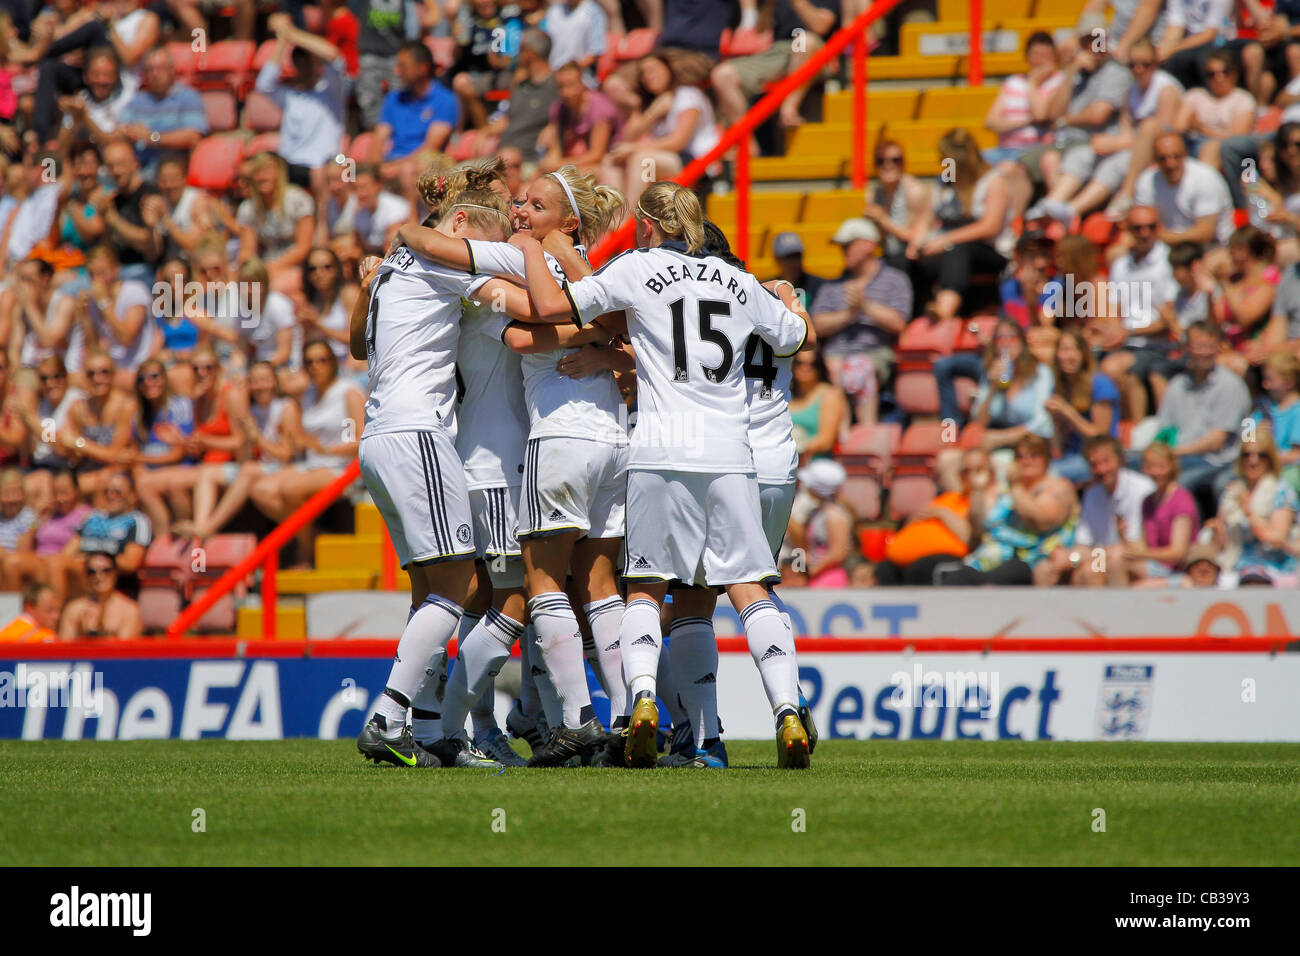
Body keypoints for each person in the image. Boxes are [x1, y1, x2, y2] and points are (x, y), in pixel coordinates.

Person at [521, 180, 814, 768]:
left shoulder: (636, 267)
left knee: (647, 590)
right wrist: (793, 299)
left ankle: (645, 702)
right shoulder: (740, 282)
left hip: (658, 451)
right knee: (751, 587)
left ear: (648, 226)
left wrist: (539, 246)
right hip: (732, 455)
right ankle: (785, 709)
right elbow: (795, 336)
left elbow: (561, 306)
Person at [394, 163, 631, 766]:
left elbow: (588, 324)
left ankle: (537, 721)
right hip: (495, 458)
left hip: (528, 451)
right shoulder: (494, 266)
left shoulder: (524, 259)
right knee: (513, 599)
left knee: (530, 596)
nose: (517, 213)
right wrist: (595, 340)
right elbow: (528, 326)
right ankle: (454, 729)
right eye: (511, 203)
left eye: (528, 203)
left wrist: (598, 342)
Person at [349, 165, 523, 770]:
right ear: (458, 224)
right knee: (463, 585)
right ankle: (388, 716)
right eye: (481, 238)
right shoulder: (442, 260)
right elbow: (513, 293)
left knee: (429, 586)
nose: (480, 253)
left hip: (376, 437)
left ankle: (428, 734)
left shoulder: (392, 266)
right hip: (418, 431)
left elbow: (355, 345)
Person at [250, 338, 362, 567]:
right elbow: (305, 440)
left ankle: (305, 551)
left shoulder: (347, 392)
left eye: (322, 360)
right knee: (261, 490)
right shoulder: (310, 394)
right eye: (309, 362)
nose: (316, 366)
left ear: (332, 362)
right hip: (314, 463)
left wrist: (326, 449)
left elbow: (360, 441)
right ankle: (314, 537)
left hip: (343, 467)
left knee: (289, 490)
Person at [937, 434, 1078, 586]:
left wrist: (1016, 487)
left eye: (1034, 455)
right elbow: (978, 526)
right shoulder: (1002, 490)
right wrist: (978, 490)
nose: (1026, 461)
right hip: (985, 560)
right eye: (1020, 456)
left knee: (994, 581)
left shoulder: (1057, 487)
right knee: (954, 580)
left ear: (1046, 459)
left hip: (1028, 562)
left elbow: (1042, 521)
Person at [179, 361, 297, 541]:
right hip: (257, 467)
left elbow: (286, 455)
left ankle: (207, 530)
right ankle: (200, 524)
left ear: (275, 382)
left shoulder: (286, 407)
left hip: (281, 468)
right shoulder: (252, 410)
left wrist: (258, 439)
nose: (260, 386)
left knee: (248, 470)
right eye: (255, 381)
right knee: (207, 472)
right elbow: (244, 457)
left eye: (265, 380)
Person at [809, 218, 911, 423]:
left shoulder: (895, 280)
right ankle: (842, 438)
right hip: (834, 357)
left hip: (875, 355)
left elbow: (899, 322)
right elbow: (816, 325)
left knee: (857, 367)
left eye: (848, 245)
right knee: (835, 367)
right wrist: (849, 314)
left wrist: (864, 306)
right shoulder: (832, 286)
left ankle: (864, 434)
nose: (844, 251)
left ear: (869, 244)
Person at [910, 128, 1015, 322]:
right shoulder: (943, 184)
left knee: (958, 250)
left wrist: (947, 239)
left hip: (989, 251)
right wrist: (915, 245)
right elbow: (925, 220)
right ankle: (911, 319)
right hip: (947, 248)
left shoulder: (992, 181)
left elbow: (989, 226)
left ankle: (943, 311)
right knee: (906, 261)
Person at [600, 53, 719, 210]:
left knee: (643, 160)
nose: (648, 76)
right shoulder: (652, 101)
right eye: (643, 73)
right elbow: (629, 136)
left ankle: (628, 220)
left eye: (653, 70)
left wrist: (634, 148)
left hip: (695, 161)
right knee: (612, 160)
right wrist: (652, 112)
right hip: (668, 160)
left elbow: (678, 142)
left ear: (668, 69)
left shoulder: (688, 95)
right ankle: (613, 220)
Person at [1151, 320, 1252, 502]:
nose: (1205, 352)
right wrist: (1159, 454)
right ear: (1187, 348)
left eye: (1210, 346)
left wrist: (1174, 453)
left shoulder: (1230, 385)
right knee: (1134, 468)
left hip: (1216, 461)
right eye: (1199, 346)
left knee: (1178, 484)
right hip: (1179, 457)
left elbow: (1216, 442)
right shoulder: (1176, 385)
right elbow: (1164, 431)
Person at [710, 0, 839, 133]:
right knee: (722, 75)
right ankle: (747, 145)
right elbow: (756, 30)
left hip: (818, 52)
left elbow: (821, 26)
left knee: (803, 41)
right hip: (777, 52)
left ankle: (788, 109)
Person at [254, 13, 347, 193]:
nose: (303, 66)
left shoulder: (332, 91)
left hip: (319, 166)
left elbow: (334, 56)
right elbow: (263, 84)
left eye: (308, 61)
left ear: (316, 62)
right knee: (258, 168)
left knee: (319, 174)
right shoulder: (290, 95)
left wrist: (289, 31)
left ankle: (321, 221)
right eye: (299, 61)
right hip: (288, 163)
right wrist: (282, 40)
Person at [1046, 434, 1155, 586]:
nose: (1101, 469)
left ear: (1120, 459)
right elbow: (1083, 543)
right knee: (1049, 569)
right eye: (1094, 464)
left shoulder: (1142, 488)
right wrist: (1070, 556)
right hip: (1102, 557)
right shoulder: (1092, 494)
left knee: (1093, 569)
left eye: (1106, 461)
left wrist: (1074, 558)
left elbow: (1131, 546)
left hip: (1138, 558)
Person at [875, 448, 994, 585]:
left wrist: (942, 514)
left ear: (990, 472)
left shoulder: (987, 501)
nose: (972, 476)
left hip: (945, 559)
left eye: (978, 470)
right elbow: (916, 520)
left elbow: (970, 539)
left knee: (920, 569)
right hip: (905, 559)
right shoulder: (949, 497)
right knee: (884, 569)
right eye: (966, 471)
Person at [1206, 431, 1300, 586]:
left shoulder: (1281, 490)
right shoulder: (1232, 492)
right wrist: (1216, 530)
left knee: (1251, 580)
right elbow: (1221, 545)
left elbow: (1275, 538)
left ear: (1270, 459)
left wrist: (1248, 510)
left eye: (1260, 455)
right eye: (1247, 455)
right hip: (1235, 565)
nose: (1253, 461)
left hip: (1272, 568)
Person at [968, 319, 1056, 452]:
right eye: (999, 337)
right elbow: (979, 422)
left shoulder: (1040, 372)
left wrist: (1003, 437)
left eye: (1011, 336)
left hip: (1033, 444)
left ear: (1022, 341)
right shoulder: (992, 372)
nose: (1006, 342)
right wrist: (992, 387)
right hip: (1000, 444)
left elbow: (1042, 421)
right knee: (950, 458)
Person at [114, 48, 206, 172]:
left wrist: (152, 137)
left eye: (160, 68)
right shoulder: (137, 100)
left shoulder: (187, 97)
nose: (155, 73)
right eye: (150, 69)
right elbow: (120, 129)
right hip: (138, 168)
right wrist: (128, 132)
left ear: (172, 70)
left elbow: (193, 136)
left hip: (172, 170)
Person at [235, 152, 315, 293]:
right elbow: (247, 250)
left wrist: (271, 268)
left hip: (296, 264)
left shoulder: (298, 199)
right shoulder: (248, 208)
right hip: (265, 264)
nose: (262, 177)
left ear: (278, 173)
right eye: (257, 172)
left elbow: (303, 247)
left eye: (267, 171)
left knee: (274, 288)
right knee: (233, 286)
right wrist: (247, 270)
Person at [1047, 329, 1120, 484]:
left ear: (1084, 355)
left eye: (1075, 350)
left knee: (1050, 475)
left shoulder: (1099, 384)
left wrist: (1068, 413)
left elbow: (1101, 437)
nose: (1070, 356)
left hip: (1097, 458)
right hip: (1071, 456)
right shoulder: (1059, 388)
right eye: (1065, 350)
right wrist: (1055, 420)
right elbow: (1059, 446)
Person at [1124, 441, 1200, 585]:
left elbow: (1178, 553)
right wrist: (1123, 536)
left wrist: (1141, 554)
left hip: (1176, 572)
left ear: (1171, 466)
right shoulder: (1147, 501)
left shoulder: (1182, 500)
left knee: (1122, 567)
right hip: (1153, 566)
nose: (1155, 472)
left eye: (1160, 466)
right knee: (1109, 560)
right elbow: (1143, 544)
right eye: (1150, 467)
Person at [983, 32, 1065, 165]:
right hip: (1006, 149)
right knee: (966, 164)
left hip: (1038, 150)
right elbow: (990, 122)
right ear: (1027, 56)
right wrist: (1025, 122)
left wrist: (1032, 84)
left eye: (1045, 55)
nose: (1040, 61)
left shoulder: (1059, 81)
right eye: (1036, 55)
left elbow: (1040, 115)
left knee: (1008, 167)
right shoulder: (1012, 83)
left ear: (1054, 57)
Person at [863, 139, 931, 298]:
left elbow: (918, 239)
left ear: (903, 163)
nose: (888, 165)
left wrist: (883, 220)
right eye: (881, 161)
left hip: (917, 257)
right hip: (891, 254)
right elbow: (881, 240)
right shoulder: (876, 193)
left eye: (895, 160)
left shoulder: (914, 191)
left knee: (898, 263)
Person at [1174, 48, 1255, 172]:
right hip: (1191, 145)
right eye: (1211, 74)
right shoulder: (1195, 95)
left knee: (1211, 147)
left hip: (1224, 152)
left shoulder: (1243, 99)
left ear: (1234, 73)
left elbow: (1236, 138)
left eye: (1224, 72)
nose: (1218, 78)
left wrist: (1201, 128)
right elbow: (1179, 127)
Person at [539, 60, 622, 175]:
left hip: (606, 165)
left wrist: (558, 166)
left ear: (583, 83)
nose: (565, 92)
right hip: (572, 162)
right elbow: (555, 149)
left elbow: (597, 155)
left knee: (565, 179)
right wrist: (549, 165)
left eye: (571, 85)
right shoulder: (558, 108)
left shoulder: (600, 108)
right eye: (560, 87)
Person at [787, 459, 853, 588]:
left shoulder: (834, 515)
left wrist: (812, 570)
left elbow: (838, 553)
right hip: (817, 577)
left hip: (829, 579)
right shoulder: (818, 512)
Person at [58, 550, 141, 638]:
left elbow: (125, 649)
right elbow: (64, 648)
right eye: (92, 572)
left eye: (106, 570)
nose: (99, 576)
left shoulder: (129, 610)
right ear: (85, 575)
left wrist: (93, 634)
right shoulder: (73, 610)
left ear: (115, 573)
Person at [787, 349, 848, 463]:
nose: (805, 368)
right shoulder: (786, 394)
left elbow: (826, 441)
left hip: (816, 463)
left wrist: (797, 448)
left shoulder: (830, 394)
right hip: (784, 461)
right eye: (800, 363)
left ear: (820, 366)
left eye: (812, 364)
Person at [769, 232, 827, 311]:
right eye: (788, 257)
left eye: (797, 256)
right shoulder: (768, 289)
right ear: (777, 259)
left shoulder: (820, 286)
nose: (794, 263)